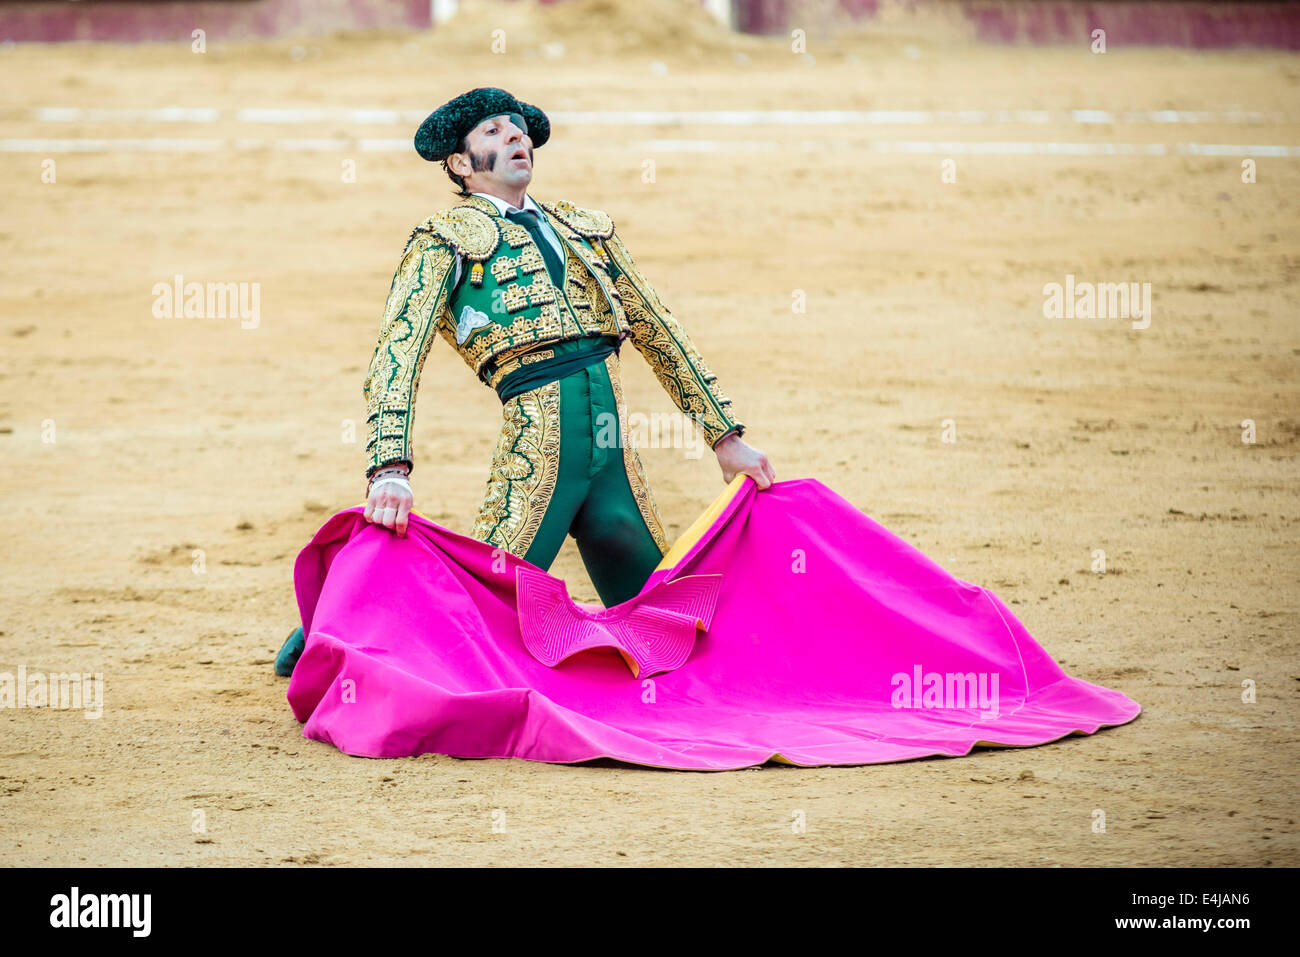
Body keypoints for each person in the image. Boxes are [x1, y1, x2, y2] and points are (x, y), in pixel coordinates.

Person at [274, 86, 773, 676]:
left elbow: (659, 330)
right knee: (474, 615)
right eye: (493, 131)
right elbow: (396, 356)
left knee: (670, 633)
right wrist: (389, 470)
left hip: (613, 452)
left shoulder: (587, 230)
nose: (515, 135)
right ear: (459, 164)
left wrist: (724, 436)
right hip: (541, 449)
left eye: (518, 128)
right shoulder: (443, 240)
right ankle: (329, 629)